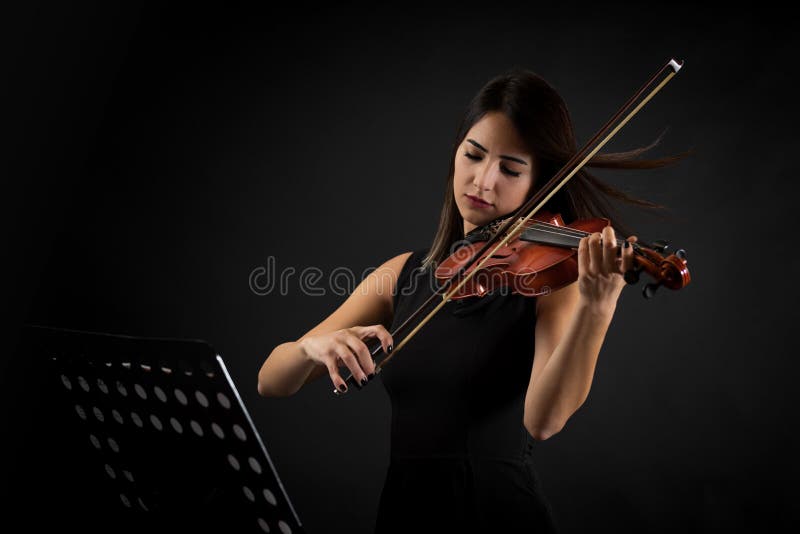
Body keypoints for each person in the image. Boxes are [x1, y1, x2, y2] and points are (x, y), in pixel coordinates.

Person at [257, 67, 689, 533]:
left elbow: (544, 421)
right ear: (456, 153)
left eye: (510, 169)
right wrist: (309, 349)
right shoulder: (404, 273)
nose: (483, 181)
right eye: (474, 155)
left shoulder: (552, 285)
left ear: (538, 184)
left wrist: (597, 308)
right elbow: (271, 380)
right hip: (404, 512)